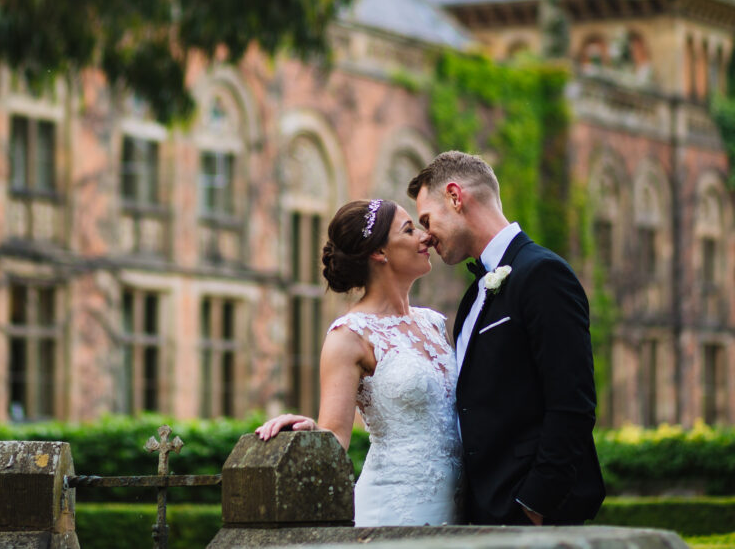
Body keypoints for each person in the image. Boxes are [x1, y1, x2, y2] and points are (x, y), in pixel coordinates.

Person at [408, 150, 605, 526]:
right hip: (480, 515)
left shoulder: (544, 274)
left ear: (455, 196)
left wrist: (535, 503)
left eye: (426, 220)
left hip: (529, 516)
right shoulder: (471, 298)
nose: (426, 236)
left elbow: (573, 402)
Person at [254, 198, 462, 526]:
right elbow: (335, 437)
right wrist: (309, 430)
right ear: (379, 252)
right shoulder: (349, 335)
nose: (426, 237)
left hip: (460, 509)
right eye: (410, 230)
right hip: (396, 510)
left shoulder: (433, 323)